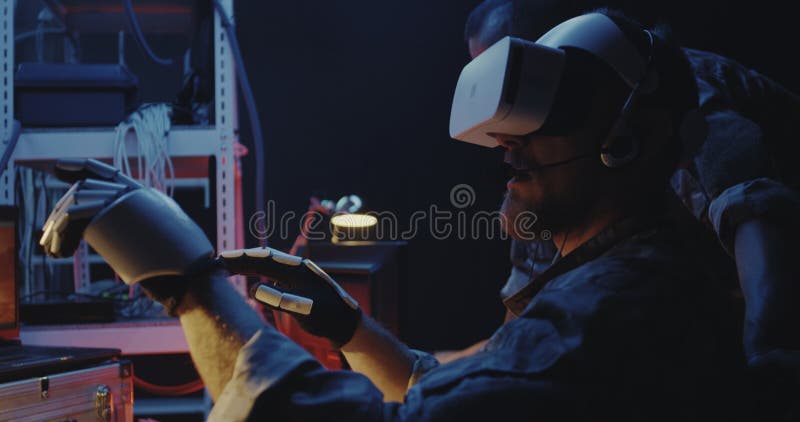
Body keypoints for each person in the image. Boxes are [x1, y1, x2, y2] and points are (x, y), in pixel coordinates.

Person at [41, 11, 749, 420]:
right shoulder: (609, 277)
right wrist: (349, 327)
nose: (505, 144)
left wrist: (191, 284)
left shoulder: (616, 315)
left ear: (634, 140)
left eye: (544, 116)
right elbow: (463, 391)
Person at [463, 0, 800, 376]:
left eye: (509, 70)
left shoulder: (654, 86)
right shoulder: (560, 164)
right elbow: (527, 297)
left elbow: (752, 207)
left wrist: (765, 354)